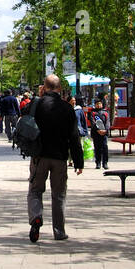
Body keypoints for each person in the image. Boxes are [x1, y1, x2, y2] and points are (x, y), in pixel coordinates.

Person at [26, 74, 84, 243]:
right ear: (59, 88)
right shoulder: (67, 108)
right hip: (59, 156)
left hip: (39, 155)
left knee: (35, 190)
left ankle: (36, 217)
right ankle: (59, 231)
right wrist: (78, 161)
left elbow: (25, 117)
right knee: (59, 194)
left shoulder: (37, 104)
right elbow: (74, 137)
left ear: (44, 87)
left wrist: (38, 97)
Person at [90, 97, 110, 170]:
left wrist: (105, 130)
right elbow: (93, 122)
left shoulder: (105, 112)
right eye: (97, 104)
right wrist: (98, 130)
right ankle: (98, 163)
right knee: (97, 148)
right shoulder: (93, 113)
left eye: (100, 104)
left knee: (105, 147)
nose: (99, 105)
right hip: (96, 133)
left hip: (104, 133)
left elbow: (107, 122)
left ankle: (105, 163)